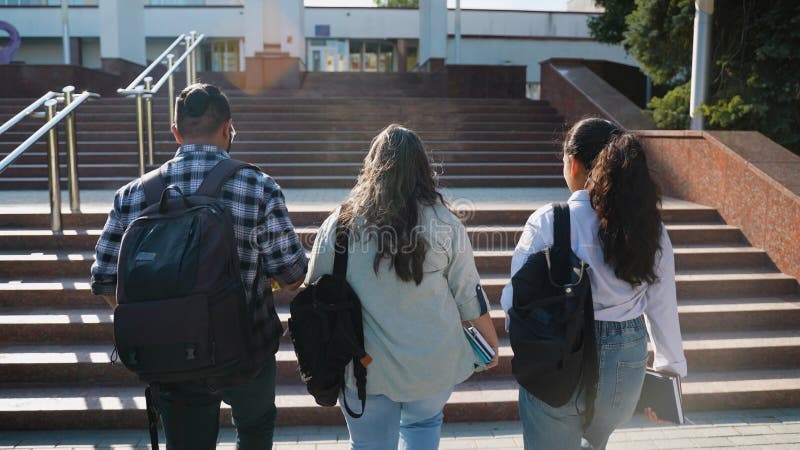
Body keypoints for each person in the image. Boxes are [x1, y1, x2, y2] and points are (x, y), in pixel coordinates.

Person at [90, 83, 308, 449]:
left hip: (170, 356)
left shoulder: (133, 195)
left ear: (175, 133)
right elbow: (292, 275)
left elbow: (105, 280)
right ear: (228, 129)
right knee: (255, 429)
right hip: (246, 350)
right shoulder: (258, 186)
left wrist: (159, 321)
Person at [305, 124, 499, 450]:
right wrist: (490, 347)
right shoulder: (446, 223)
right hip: (432, 367)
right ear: (423, 168)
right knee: (424, 426)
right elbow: (468, 296)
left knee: (369, 445)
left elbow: (314, 289)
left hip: (365, 369)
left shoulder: (340, 223)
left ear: (371, 166)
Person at [500, 118, 687, 450]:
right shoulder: (649, 227)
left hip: (558, 357)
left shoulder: (549, 220)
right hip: (625, 369)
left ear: (572, 164)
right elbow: (662, 303)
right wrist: (669, 370)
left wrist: (529, 346)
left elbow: (514, 300)